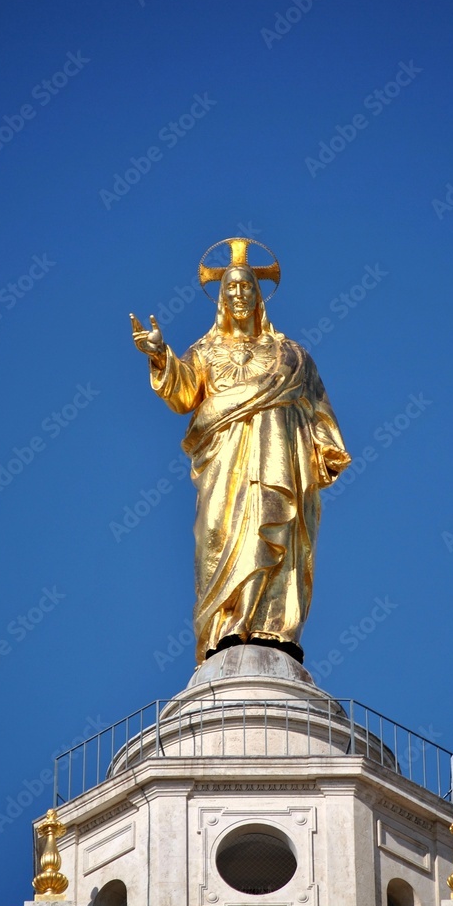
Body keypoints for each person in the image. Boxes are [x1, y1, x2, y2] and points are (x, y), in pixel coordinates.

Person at [131, 244, 350, 664]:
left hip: (281, 459)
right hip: (224, 460)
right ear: (220, 298)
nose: (237, 294)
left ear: (258, 295)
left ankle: (273, 626)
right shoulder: (205, 352)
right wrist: (160, 355)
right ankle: (223, 625)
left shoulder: (292, 355)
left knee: (279, 531)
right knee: (217, 533)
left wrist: (325, 448)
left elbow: (318, 406)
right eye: (229, 287)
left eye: (246, 286)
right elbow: (183, 394)